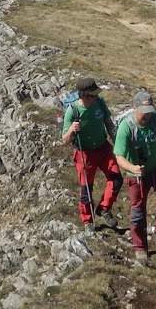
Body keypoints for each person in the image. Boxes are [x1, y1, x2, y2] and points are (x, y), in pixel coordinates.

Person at [114, 88, 156, 263]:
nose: (147, 116)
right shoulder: (126, 128)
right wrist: (132, 169)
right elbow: (119, 156)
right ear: (134, 108)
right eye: (144, 112)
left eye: (150, 112)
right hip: (136, 176)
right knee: (138, 211)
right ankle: (140, 247)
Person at [59, 77, 122, 229]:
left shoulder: (99, 102)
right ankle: (88, 221)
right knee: (87, 188)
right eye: (93, 94)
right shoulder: (72, 111)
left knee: (116, 179)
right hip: (85, 154)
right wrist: (71, 130)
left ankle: (104, 208)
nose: (96, 96)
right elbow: (65, 140)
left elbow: (108, 122)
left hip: (103, 148)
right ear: (84, 95)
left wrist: (118, 145)